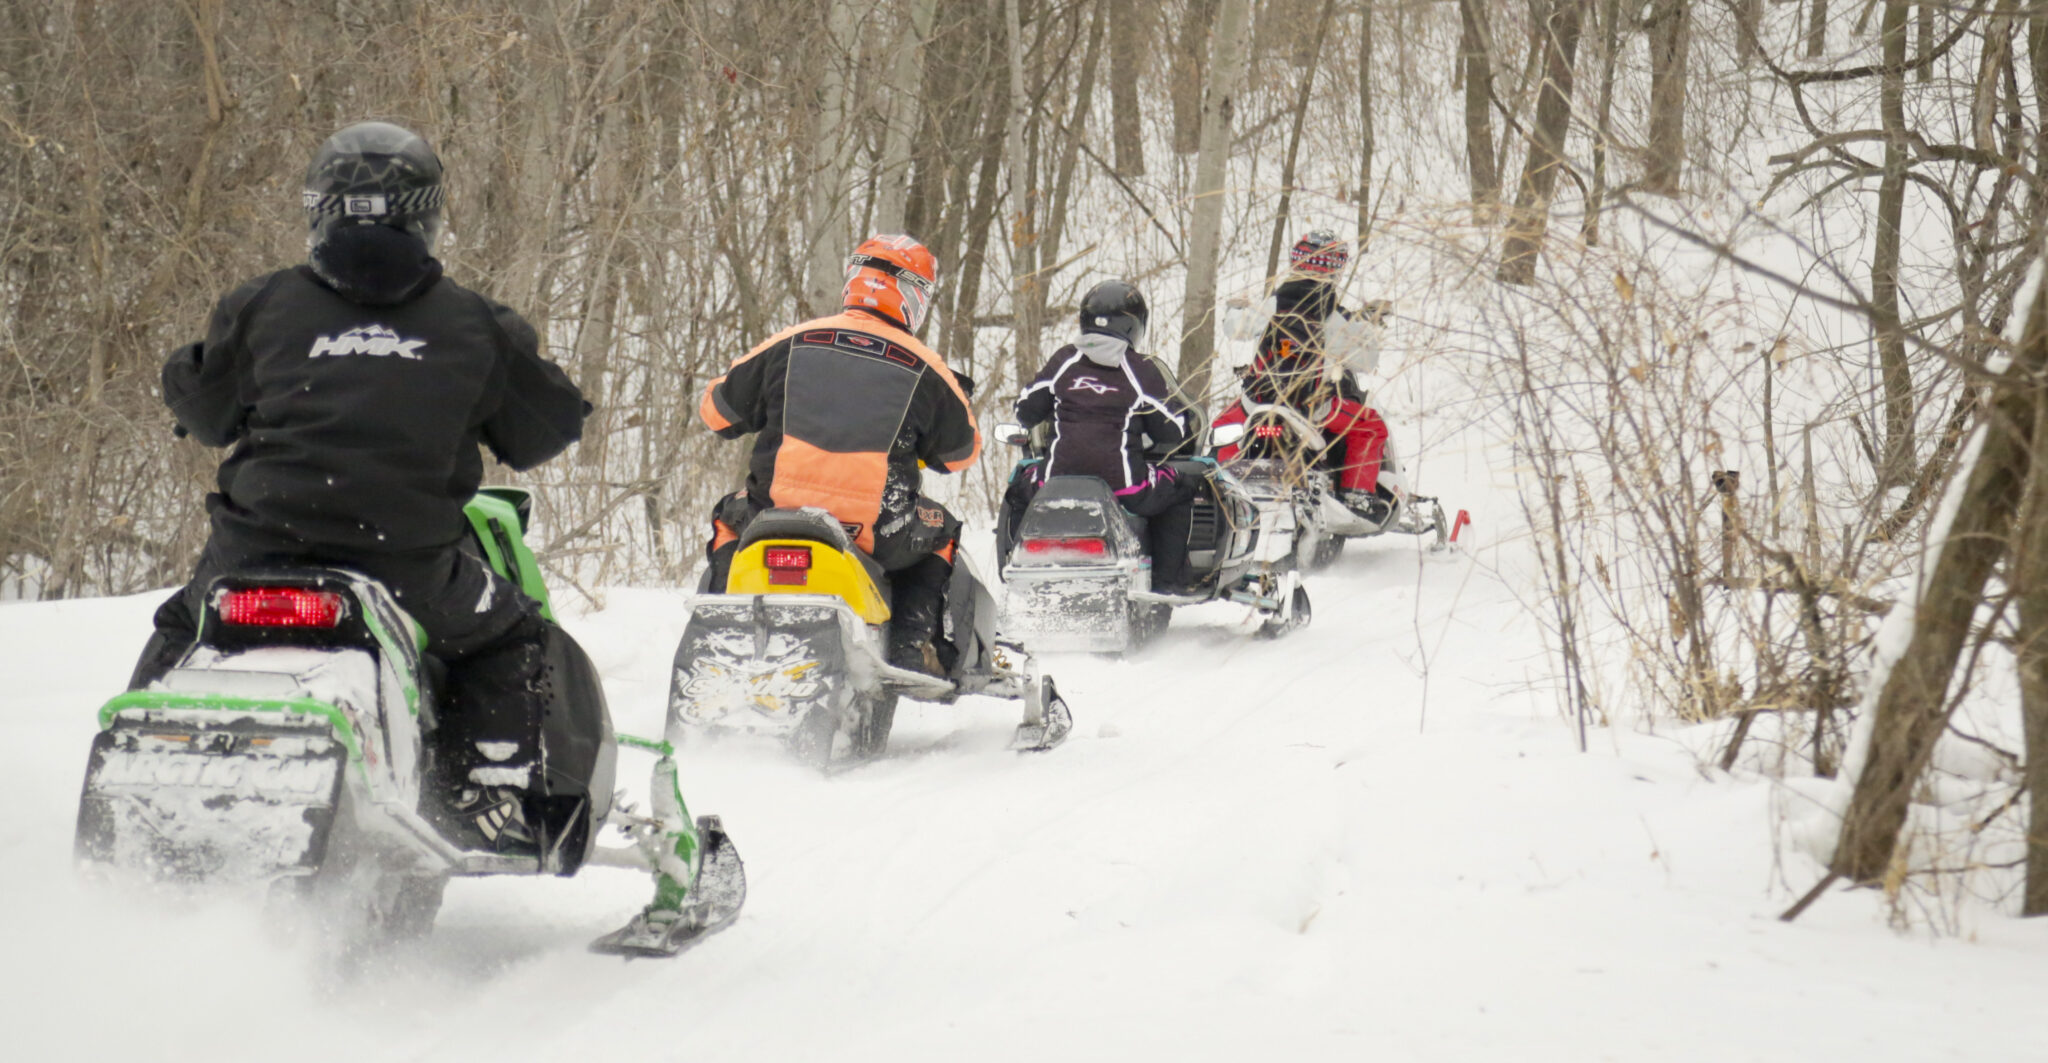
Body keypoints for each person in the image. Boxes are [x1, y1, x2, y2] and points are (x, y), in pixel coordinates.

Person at [131, 121, 590, 852]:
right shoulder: (476, 325)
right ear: (427, 212)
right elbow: (546, 427)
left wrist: (188, 373)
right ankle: (478, 798)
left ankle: (145, 779)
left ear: (320, 208)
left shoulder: (261, 306)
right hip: (405, 570)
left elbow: (204, 409)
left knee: (183, 625)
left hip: (251, 559)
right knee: (513, 632)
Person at [698, 233, 978, 677]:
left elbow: (716, 413)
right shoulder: (927, 367)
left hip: (772, 515)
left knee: (724, 517)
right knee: (942, 532)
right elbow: (961, 453)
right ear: (914, 297)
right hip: (876, 530)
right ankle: (910, 645)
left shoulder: (790, 341)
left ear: (854, 278)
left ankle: (717, 630)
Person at [1010, 280, 1203, 595]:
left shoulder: (1064, 361)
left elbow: (1025, 410)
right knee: (1179, 488)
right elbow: (1172, 430)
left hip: (1055, 482)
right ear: (1134, 325)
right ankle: (1167, 583)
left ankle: (1016, 570)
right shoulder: (1139, 369)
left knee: (1020, 487)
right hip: (1125, 487)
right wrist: (1176, 414)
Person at [1214, 229, 1400, 525]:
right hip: (1313, 409)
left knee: (1222, 426)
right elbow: (1366, 360)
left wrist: (1234, 309)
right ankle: (1357, 495)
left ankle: (1218, 488)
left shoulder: (1271, 305)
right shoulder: (1334, 316)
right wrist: (1365, 327)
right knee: (1371, 426)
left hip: (1258, 405)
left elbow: (1235, 328)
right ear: (1337, 270)